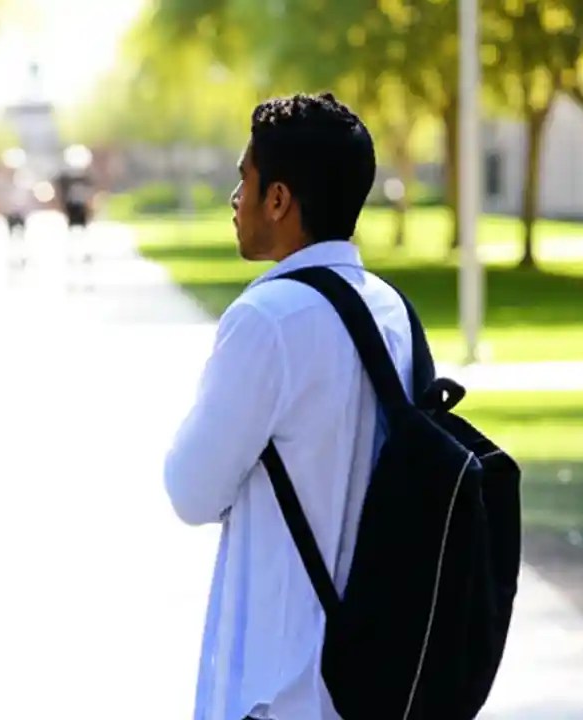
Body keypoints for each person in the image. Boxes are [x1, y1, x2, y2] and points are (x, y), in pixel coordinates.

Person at [163, 93, 409, 720]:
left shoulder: (266, 319)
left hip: (278, 686)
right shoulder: (393, 311)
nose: (235, 199)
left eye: (243, 179)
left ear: (278, 199)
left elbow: (191, 491)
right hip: (378, 669)